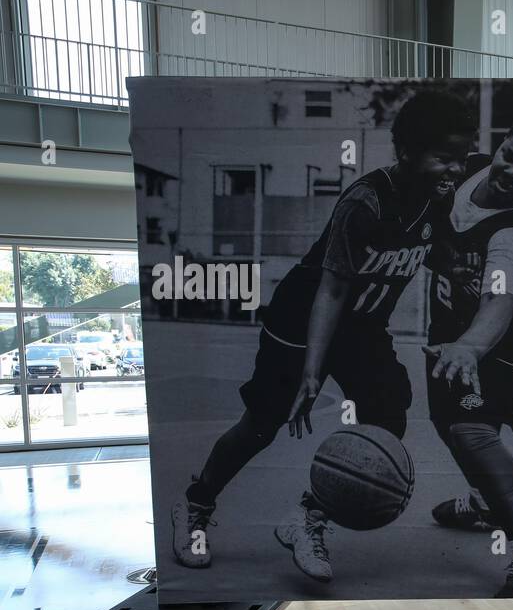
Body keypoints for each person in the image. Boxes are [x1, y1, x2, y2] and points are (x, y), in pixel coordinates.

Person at [170, 91, 476, 581]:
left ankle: (307, 517)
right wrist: (312, 372)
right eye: (444, 158)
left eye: (460, 159)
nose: (454, 169)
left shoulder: (437, 199)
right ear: (407, 152)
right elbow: (332, 291)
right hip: (302, 318)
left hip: (362, 329)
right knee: (262, 424)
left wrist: (459, 267)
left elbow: (427, 245)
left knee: (387, 413)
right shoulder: (366, 201)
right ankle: (195, 504)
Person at [423, 114, 513, 598]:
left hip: (502, 336)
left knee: (473, 429)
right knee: (447, 421)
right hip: (452, 324)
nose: (510, 170)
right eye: (510, 154)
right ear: (500, 145)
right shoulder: (465, 172)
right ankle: (487, 504)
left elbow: (500, 304)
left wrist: (470, 346)